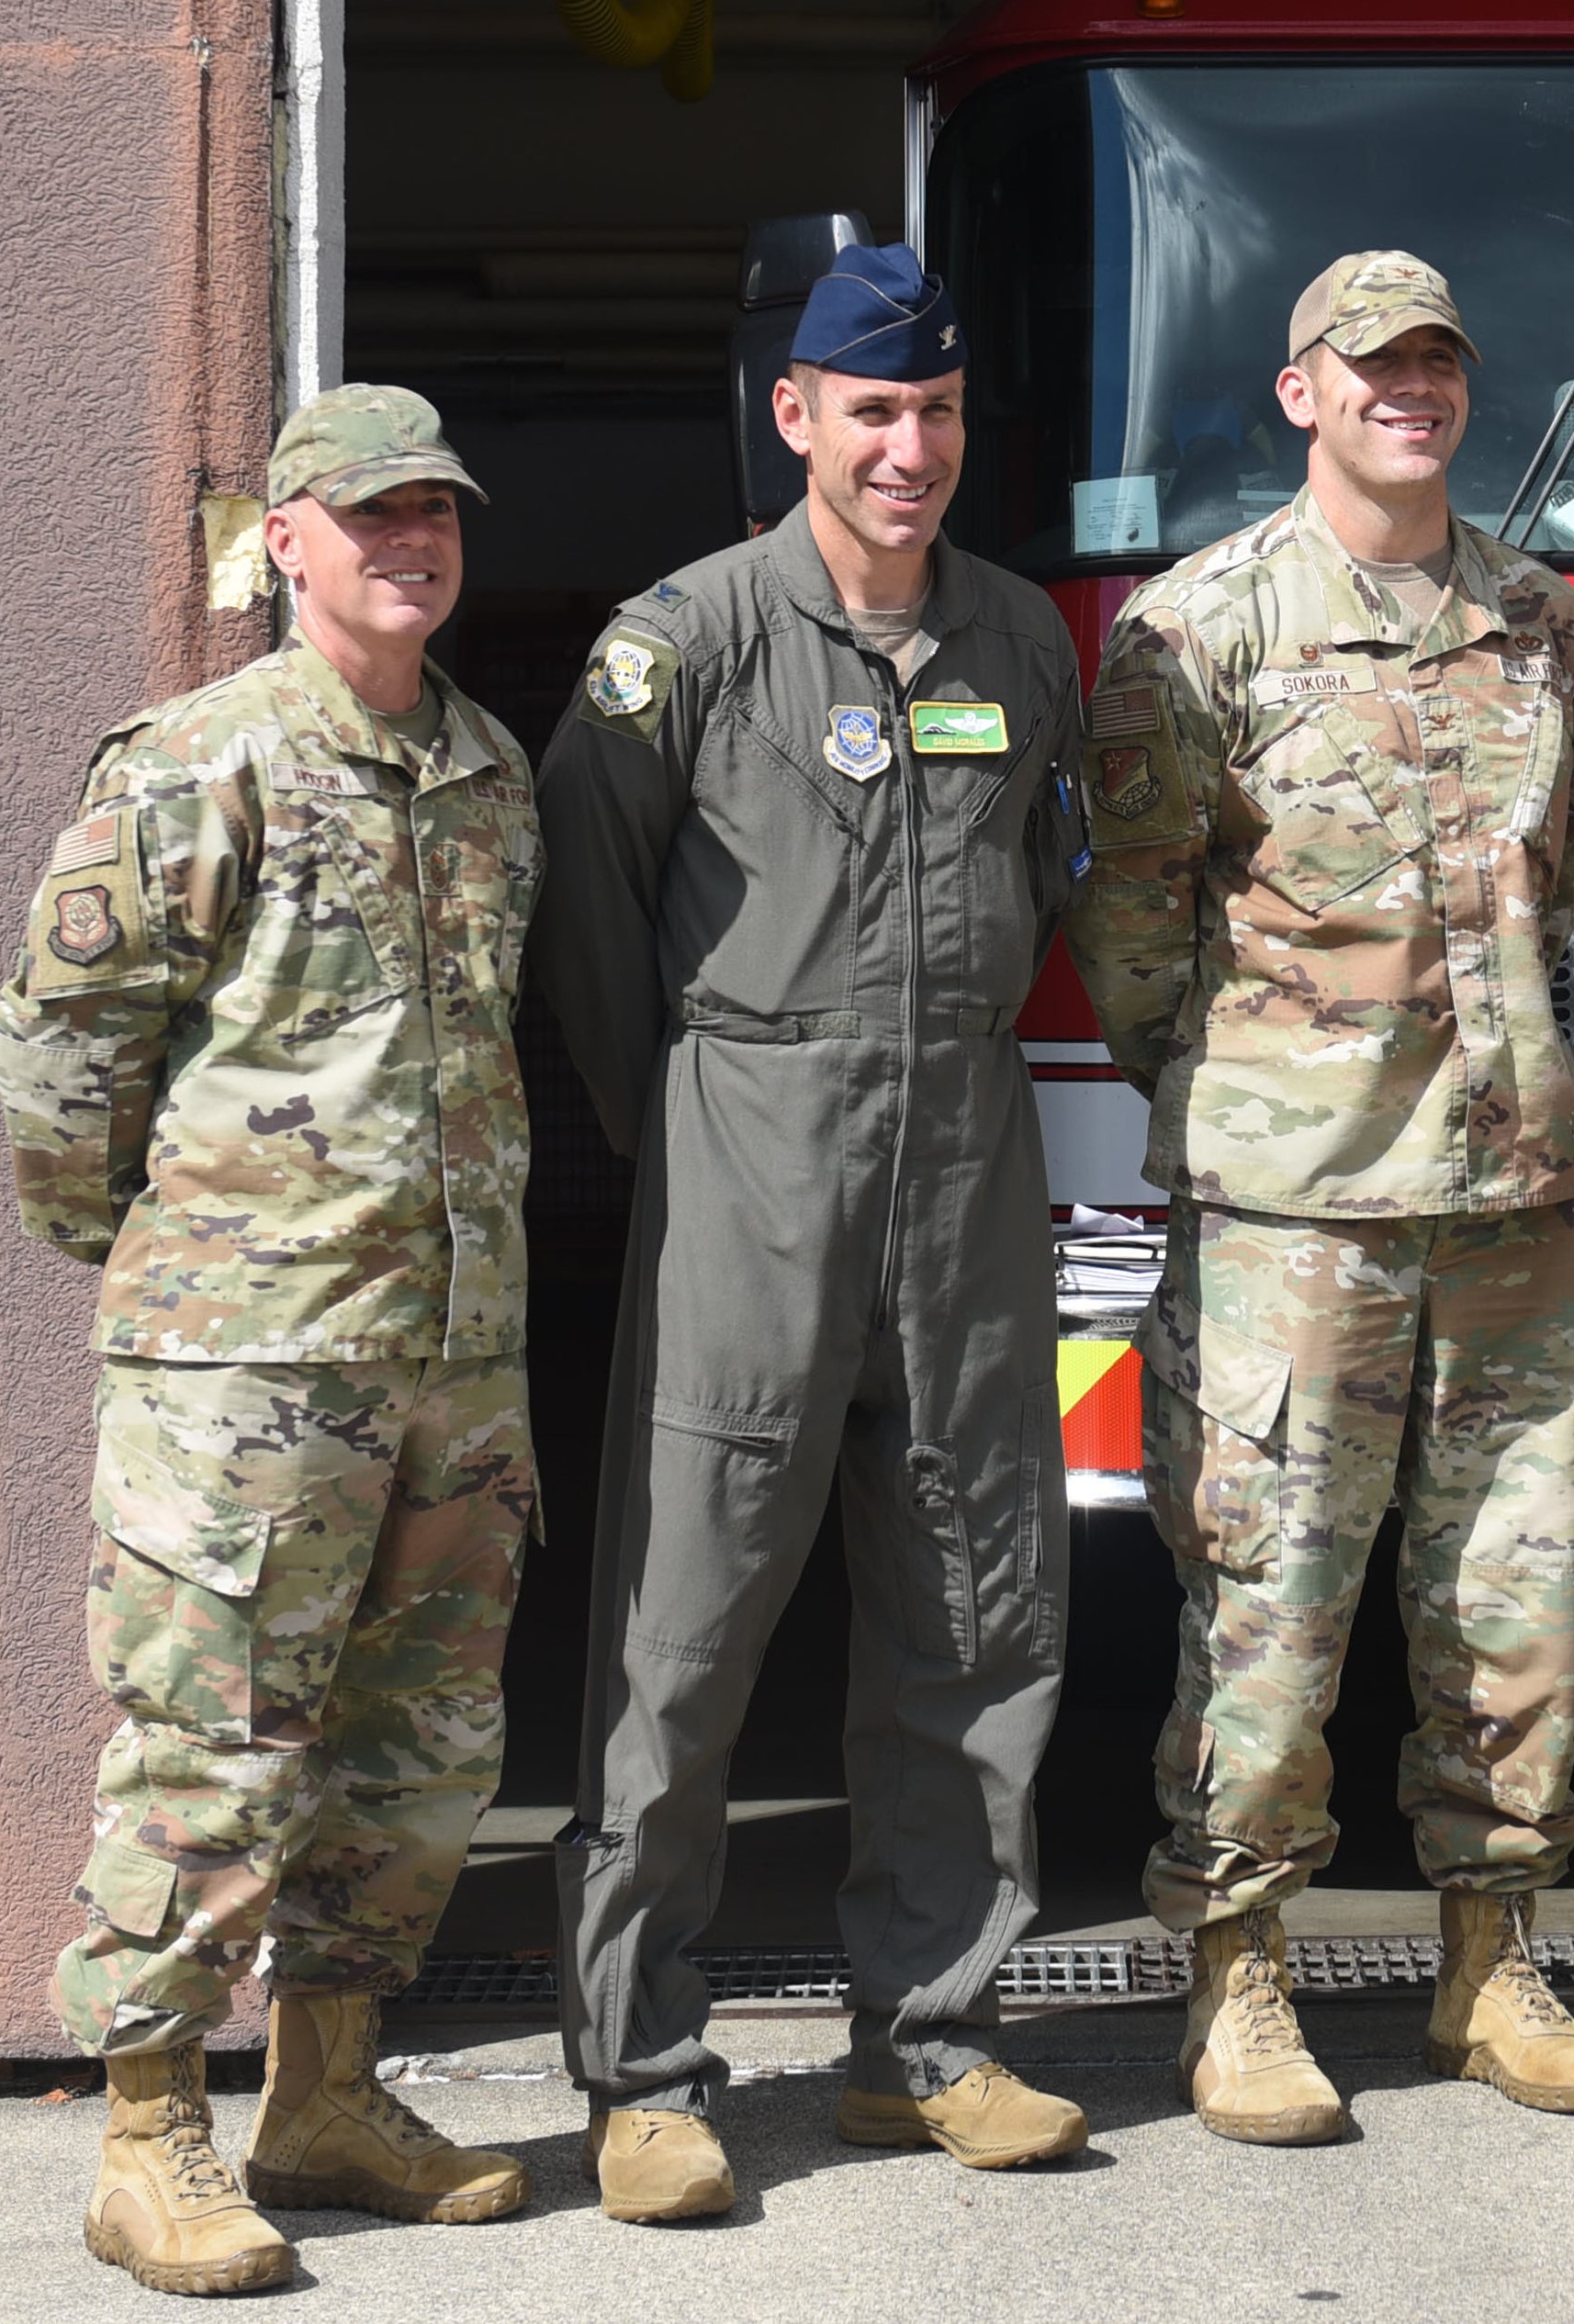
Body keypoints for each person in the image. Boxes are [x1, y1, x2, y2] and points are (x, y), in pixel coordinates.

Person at [534, 245, 1092, 2220]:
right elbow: (589, 926)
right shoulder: (682, 641)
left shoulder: (1022, 640)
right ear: (797, 419)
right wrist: (691, 1129)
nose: (908, 450)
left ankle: (926, 2038)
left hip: (962, 1174)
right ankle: (645, 2068)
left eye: (936, 415)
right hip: (749, 1162)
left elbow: (1051, 877)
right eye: (872, 412)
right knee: (678, 1632)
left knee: (972, 1614)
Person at [1063, 250, 1574, 2147]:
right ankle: (1238, 1981)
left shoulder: (1546, 624)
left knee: (1517, 1604)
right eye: (1374, 366)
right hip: (1293, 1219)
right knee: (1268, 1608)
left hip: (1513, 1199)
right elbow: (1134, 917)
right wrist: (1244, 1105)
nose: (1413, 391)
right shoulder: (1194, 632)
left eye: (1439, 364)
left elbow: (1561, 867)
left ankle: (1493, 1962)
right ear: (1300, 390)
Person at [0, 386, 541, 2295]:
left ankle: (327, 2093)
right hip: (244, 1364)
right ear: (287, 541)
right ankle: (152, 2134)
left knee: (412, 1754)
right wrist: (159, 1259)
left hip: (451, 1363)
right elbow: (64, 1055)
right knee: (211, 1749)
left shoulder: (486, 766)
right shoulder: (197, 761)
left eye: (439, 515)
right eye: (372, 513)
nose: (414, 541)